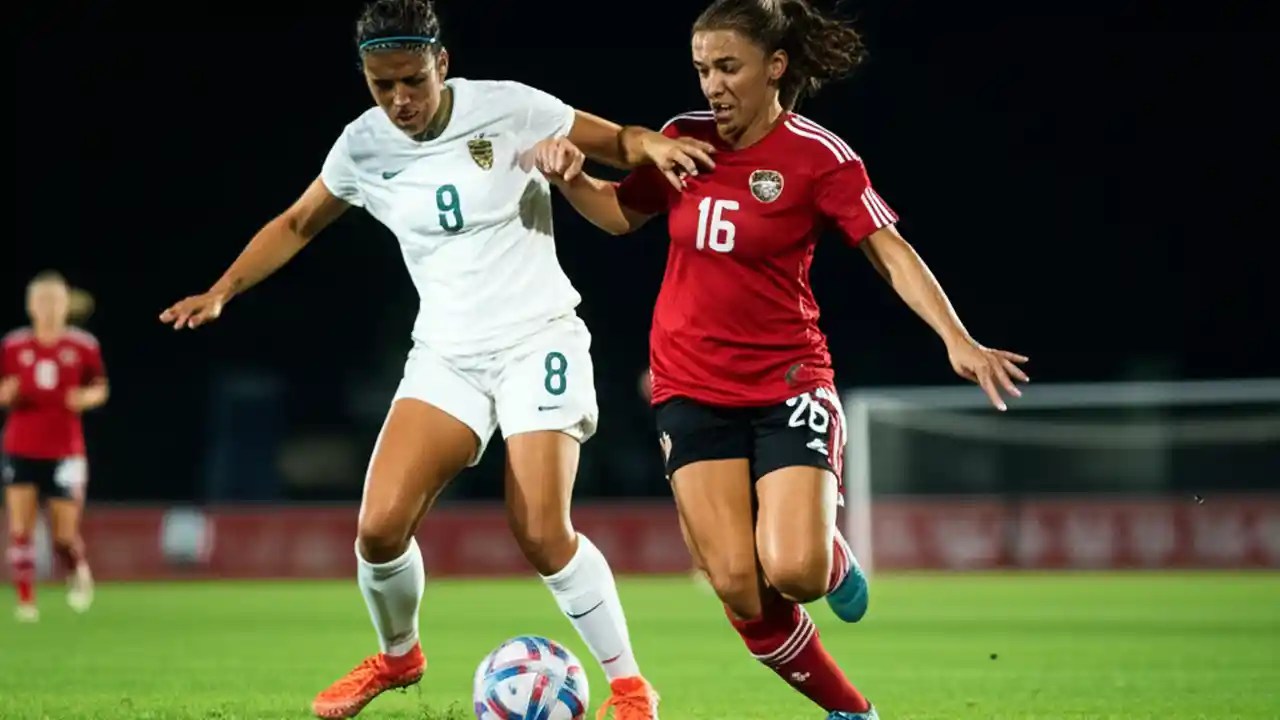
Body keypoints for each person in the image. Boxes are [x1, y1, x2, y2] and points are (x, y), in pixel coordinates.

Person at [159, 1, 713, 718]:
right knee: (378, 529)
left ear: (441, 63)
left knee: (542, 530)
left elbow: (619, 141)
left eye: (412, 80)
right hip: (447, 356)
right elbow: (298, 222)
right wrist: (223, 289)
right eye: (382, 84)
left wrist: (657, 148)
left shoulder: (509, 108)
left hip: (536, 339)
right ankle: (399, 657)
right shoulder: (363, 146)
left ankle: (632, 686)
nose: (400, 100)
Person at [531, 1, 1030, 718]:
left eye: (728, 67)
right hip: (690, 386)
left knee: (792, 571)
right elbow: (616, 215)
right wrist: (570, 176)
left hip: (786, 382)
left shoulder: (818, 156)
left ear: (776, 66)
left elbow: (886, 249)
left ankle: (828, 553)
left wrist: (956, 337)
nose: (713, 85)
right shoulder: (682, 142)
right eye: (703, 69)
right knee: (737, 584)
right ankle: (850, 710)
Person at [2, 271, 108, 623]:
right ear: (30, 306)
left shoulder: (83, 346)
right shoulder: (14, 345)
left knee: (64, 535)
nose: (48, 308)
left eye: (55, 301)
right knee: (21, 529)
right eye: (42, 301)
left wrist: (85, 398)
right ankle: (26, 600)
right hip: (21, 443)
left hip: (66, 449)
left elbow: (100, 386)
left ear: (66, 305)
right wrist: (8, 394)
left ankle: (77, 568)